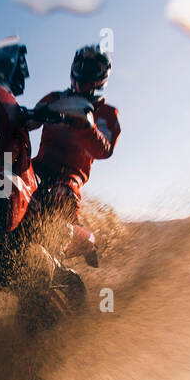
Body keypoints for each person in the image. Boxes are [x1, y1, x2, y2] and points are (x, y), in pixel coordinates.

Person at [27, 45, 120, 265]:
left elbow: (104, 150)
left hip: (70, 177)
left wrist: (85, 124)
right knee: (8, 177)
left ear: (102, 76)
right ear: (73, 68)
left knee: (62, 194)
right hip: (38, 167)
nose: (85, 71)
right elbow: (29, 122)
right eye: (81, 66)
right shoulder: (54, 98)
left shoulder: (107, 113)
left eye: (93, 68)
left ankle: (54, 262)